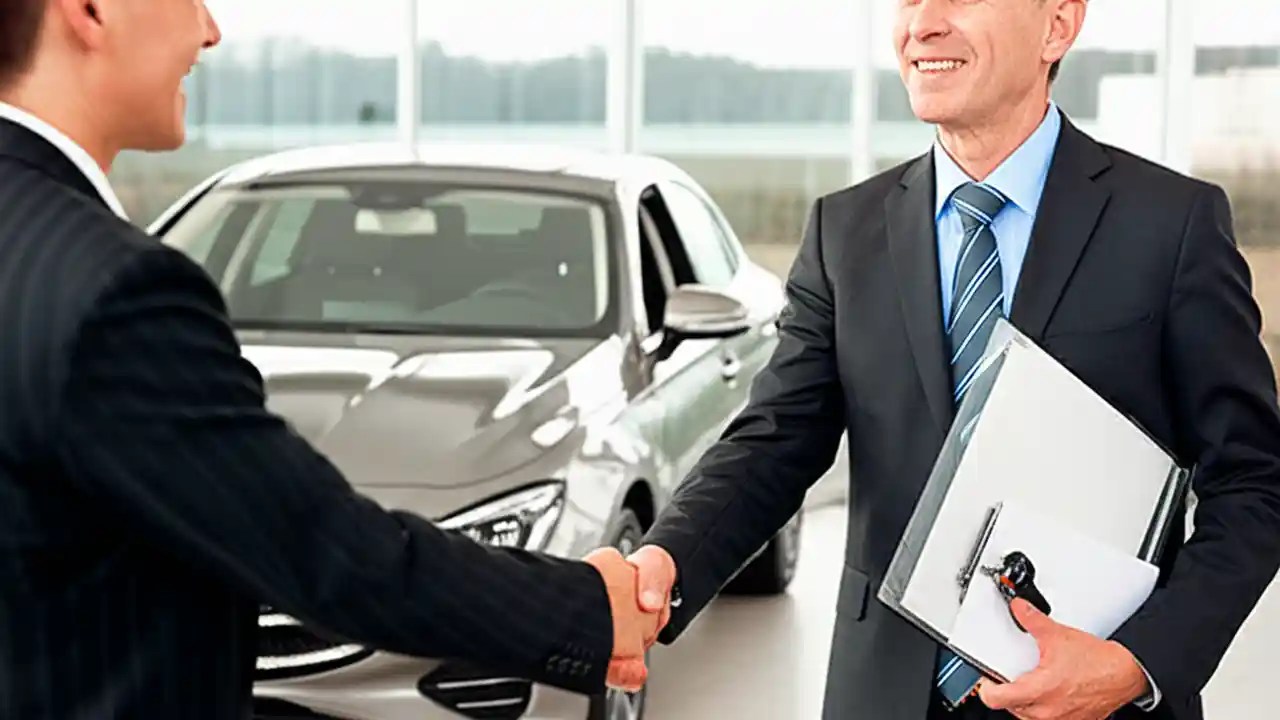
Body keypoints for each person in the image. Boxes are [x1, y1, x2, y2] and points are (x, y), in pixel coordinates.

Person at [611, 1, 1280, 719]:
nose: (923, 22)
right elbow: (774, 441)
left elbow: (1253, 480)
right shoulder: (844, 231)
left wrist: (1137, 661)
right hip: (883, 695)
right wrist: (660, 566)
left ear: (1057, 24)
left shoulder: (1171, 225)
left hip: (1097, 698)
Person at [0, 2, 653, 717]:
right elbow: (317, 546)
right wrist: (590, 611)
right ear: (90, 9)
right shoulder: (118, 288)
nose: (209, 30)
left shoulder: (40, 247)